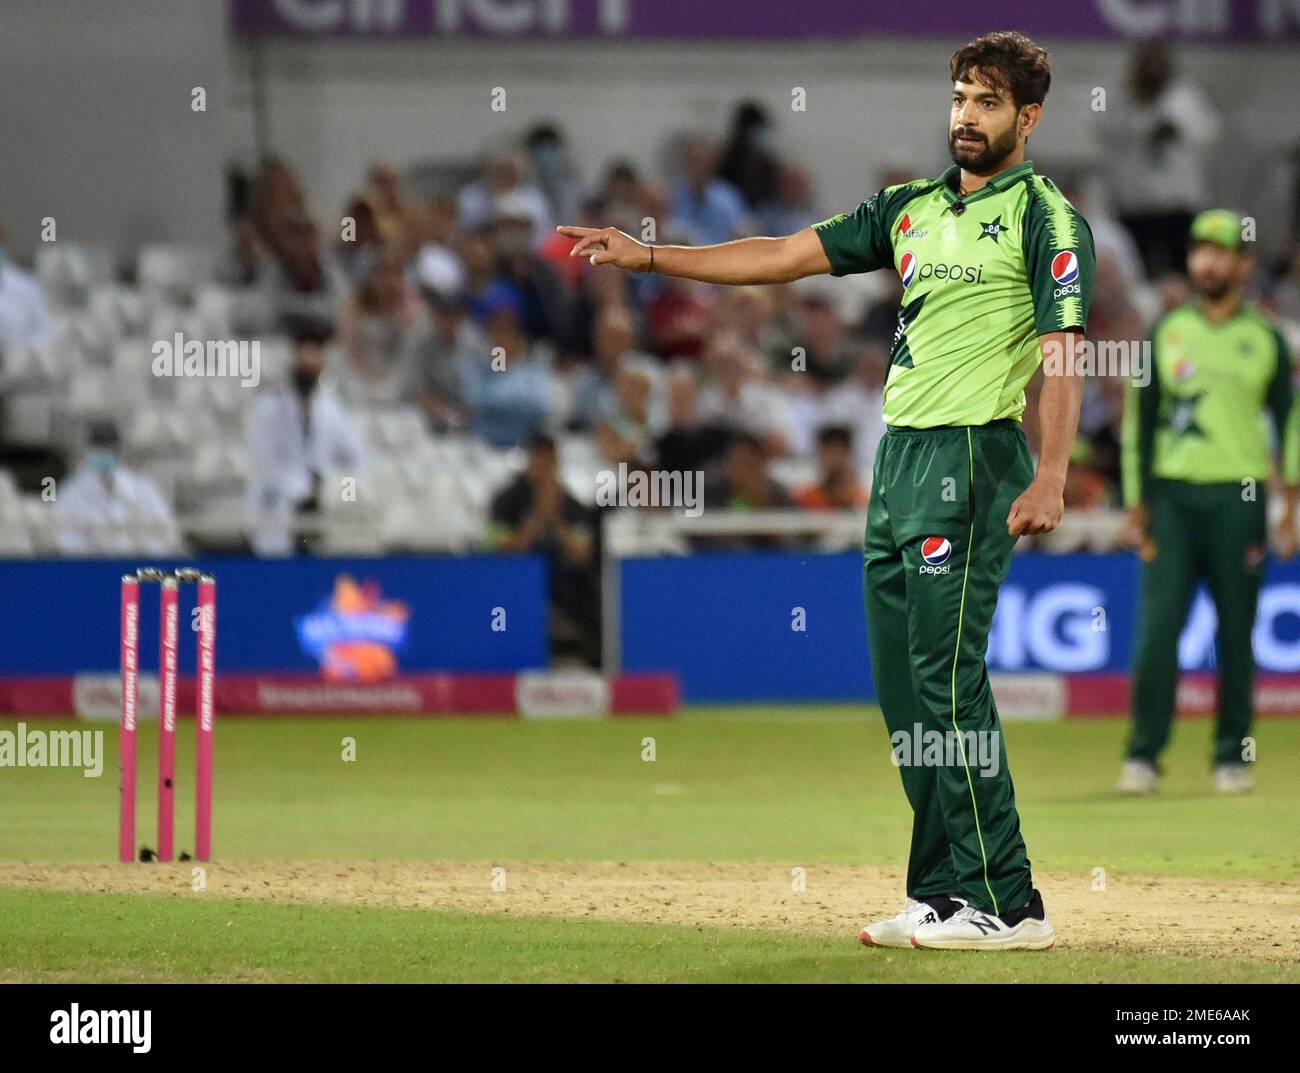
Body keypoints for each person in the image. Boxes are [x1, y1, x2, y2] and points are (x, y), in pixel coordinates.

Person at [559, 31, 1094, 952]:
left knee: (949, 682)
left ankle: (1010, 904)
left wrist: (1051, 471)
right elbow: (782, 254)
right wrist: (651, 259)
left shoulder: (1047, 217)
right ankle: (940, 891)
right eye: (961, 97)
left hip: (972, 458)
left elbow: (1064, 352)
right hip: (899, 465)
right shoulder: (911, 207)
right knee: (905, 692)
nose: (967, 115)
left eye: (989, 102)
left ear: (1028, 118)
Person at [1120, 210, 1298, 796]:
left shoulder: (1266, 337)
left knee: (1236, 631)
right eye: (1199, 251)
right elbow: (1138, 420)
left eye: (1220, 252)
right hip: (1171, 498)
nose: (1207, 262)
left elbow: (1291, 420)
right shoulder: (1165, 331)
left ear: (1243, 264)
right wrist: (1136, 498)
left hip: (1240, 499)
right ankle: (1143, 757)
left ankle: (1232, 757)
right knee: (1158, 629)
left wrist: (1290, 498)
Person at [246, 338, 367, 556]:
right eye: (303, 368)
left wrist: (330, 487)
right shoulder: (269, 409)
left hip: (321, 506)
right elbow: (264, 464)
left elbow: (358, 459)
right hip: (279, 505)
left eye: (312, 370)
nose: (307, 375)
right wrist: (301, 488)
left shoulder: (331, 409)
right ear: (293, 370)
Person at [489, 435, 600, 666]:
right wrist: (539, 518)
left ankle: (594, 662)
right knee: (498, 601)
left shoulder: (571, 504)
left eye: (550, 460)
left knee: (594, 590)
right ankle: (501, 664)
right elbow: (499, 552)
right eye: (539, 459)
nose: (544, 466)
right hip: (516, 581)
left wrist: (557, 521)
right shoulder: (506, 501)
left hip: (564, 580)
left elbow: (583, 555)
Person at [54, 421, 181, 556]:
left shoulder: (142, 488)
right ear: (88, 450)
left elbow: (166, 531)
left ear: (119, 450)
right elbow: (62, 536)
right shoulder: (71, 491)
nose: (103, 453)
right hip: (90, 567)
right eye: (99, 448)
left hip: (134, 565)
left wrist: (142, 547)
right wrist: (92, 550)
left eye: (109, 448)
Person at [795, 426, 870, 510]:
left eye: (839, 452)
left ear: (848, 454)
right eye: (829, 452)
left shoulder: (862, 499)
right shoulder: (806, 499)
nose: (834, 459)